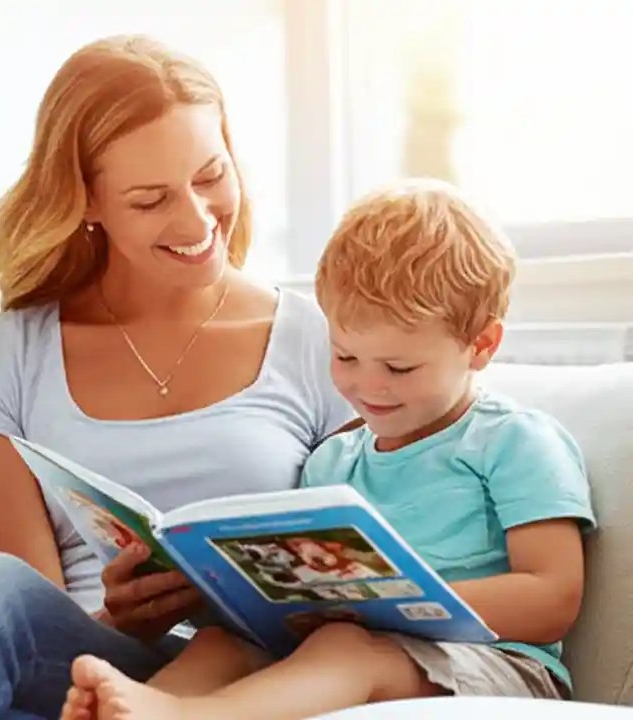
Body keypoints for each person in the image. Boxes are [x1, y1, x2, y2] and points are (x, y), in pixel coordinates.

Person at [0, 34, 356, 720]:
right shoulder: (4, 362)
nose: (195, 218)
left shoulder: (321, 344)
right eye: (151, 198)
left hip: (253, 675)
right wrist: (119, 620)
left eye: (211, 175)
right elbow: (21, 601)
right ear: (87, 202)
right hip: (94, 659)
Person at [62, 180, 597, 720]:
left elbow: (553, 598)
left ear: (480, 345)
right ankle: (139, 708)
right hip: (353, 646)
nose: (369, 386)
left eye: (399, 367)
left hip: (492, 666)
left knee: (343, 648)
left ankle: (185, 717)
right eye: (345, 357)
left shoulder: (514, 440)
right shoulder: (332, 462)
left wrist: (393, 610)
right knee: (225, 643)